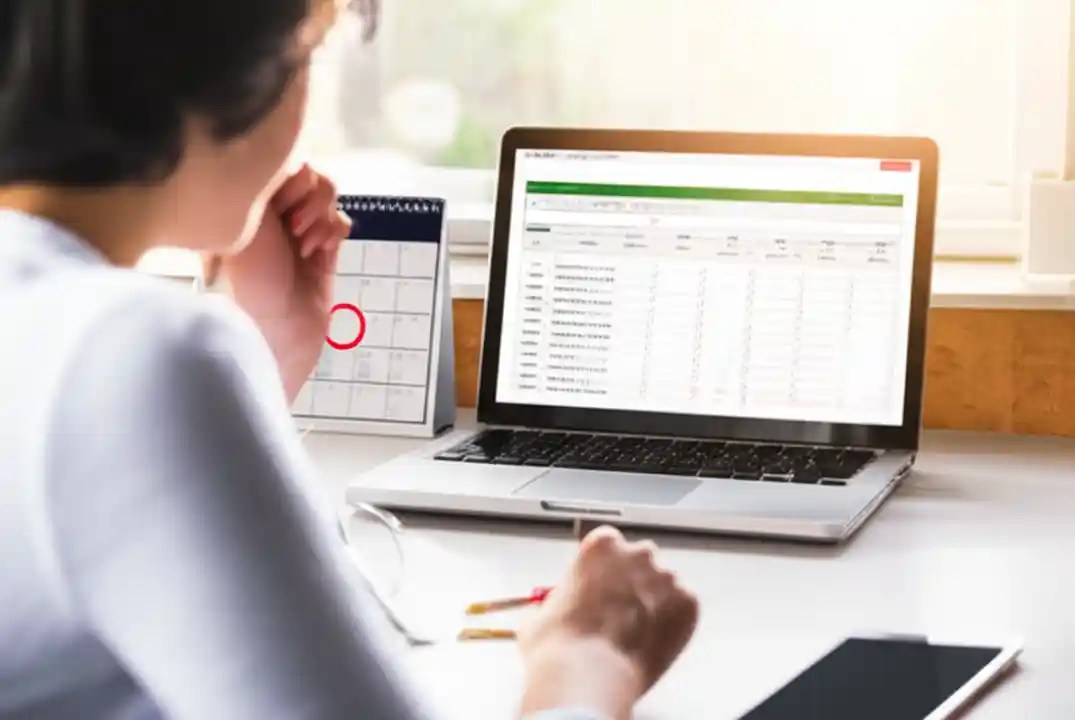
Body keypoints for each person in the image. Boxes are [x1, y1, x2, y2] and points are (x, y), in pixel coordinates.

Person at [0, 2, 698, 719]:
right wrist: (588, 661)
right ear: (239, 71)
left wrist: (274, 346)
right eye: (314, 54)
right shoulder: (133, 351)